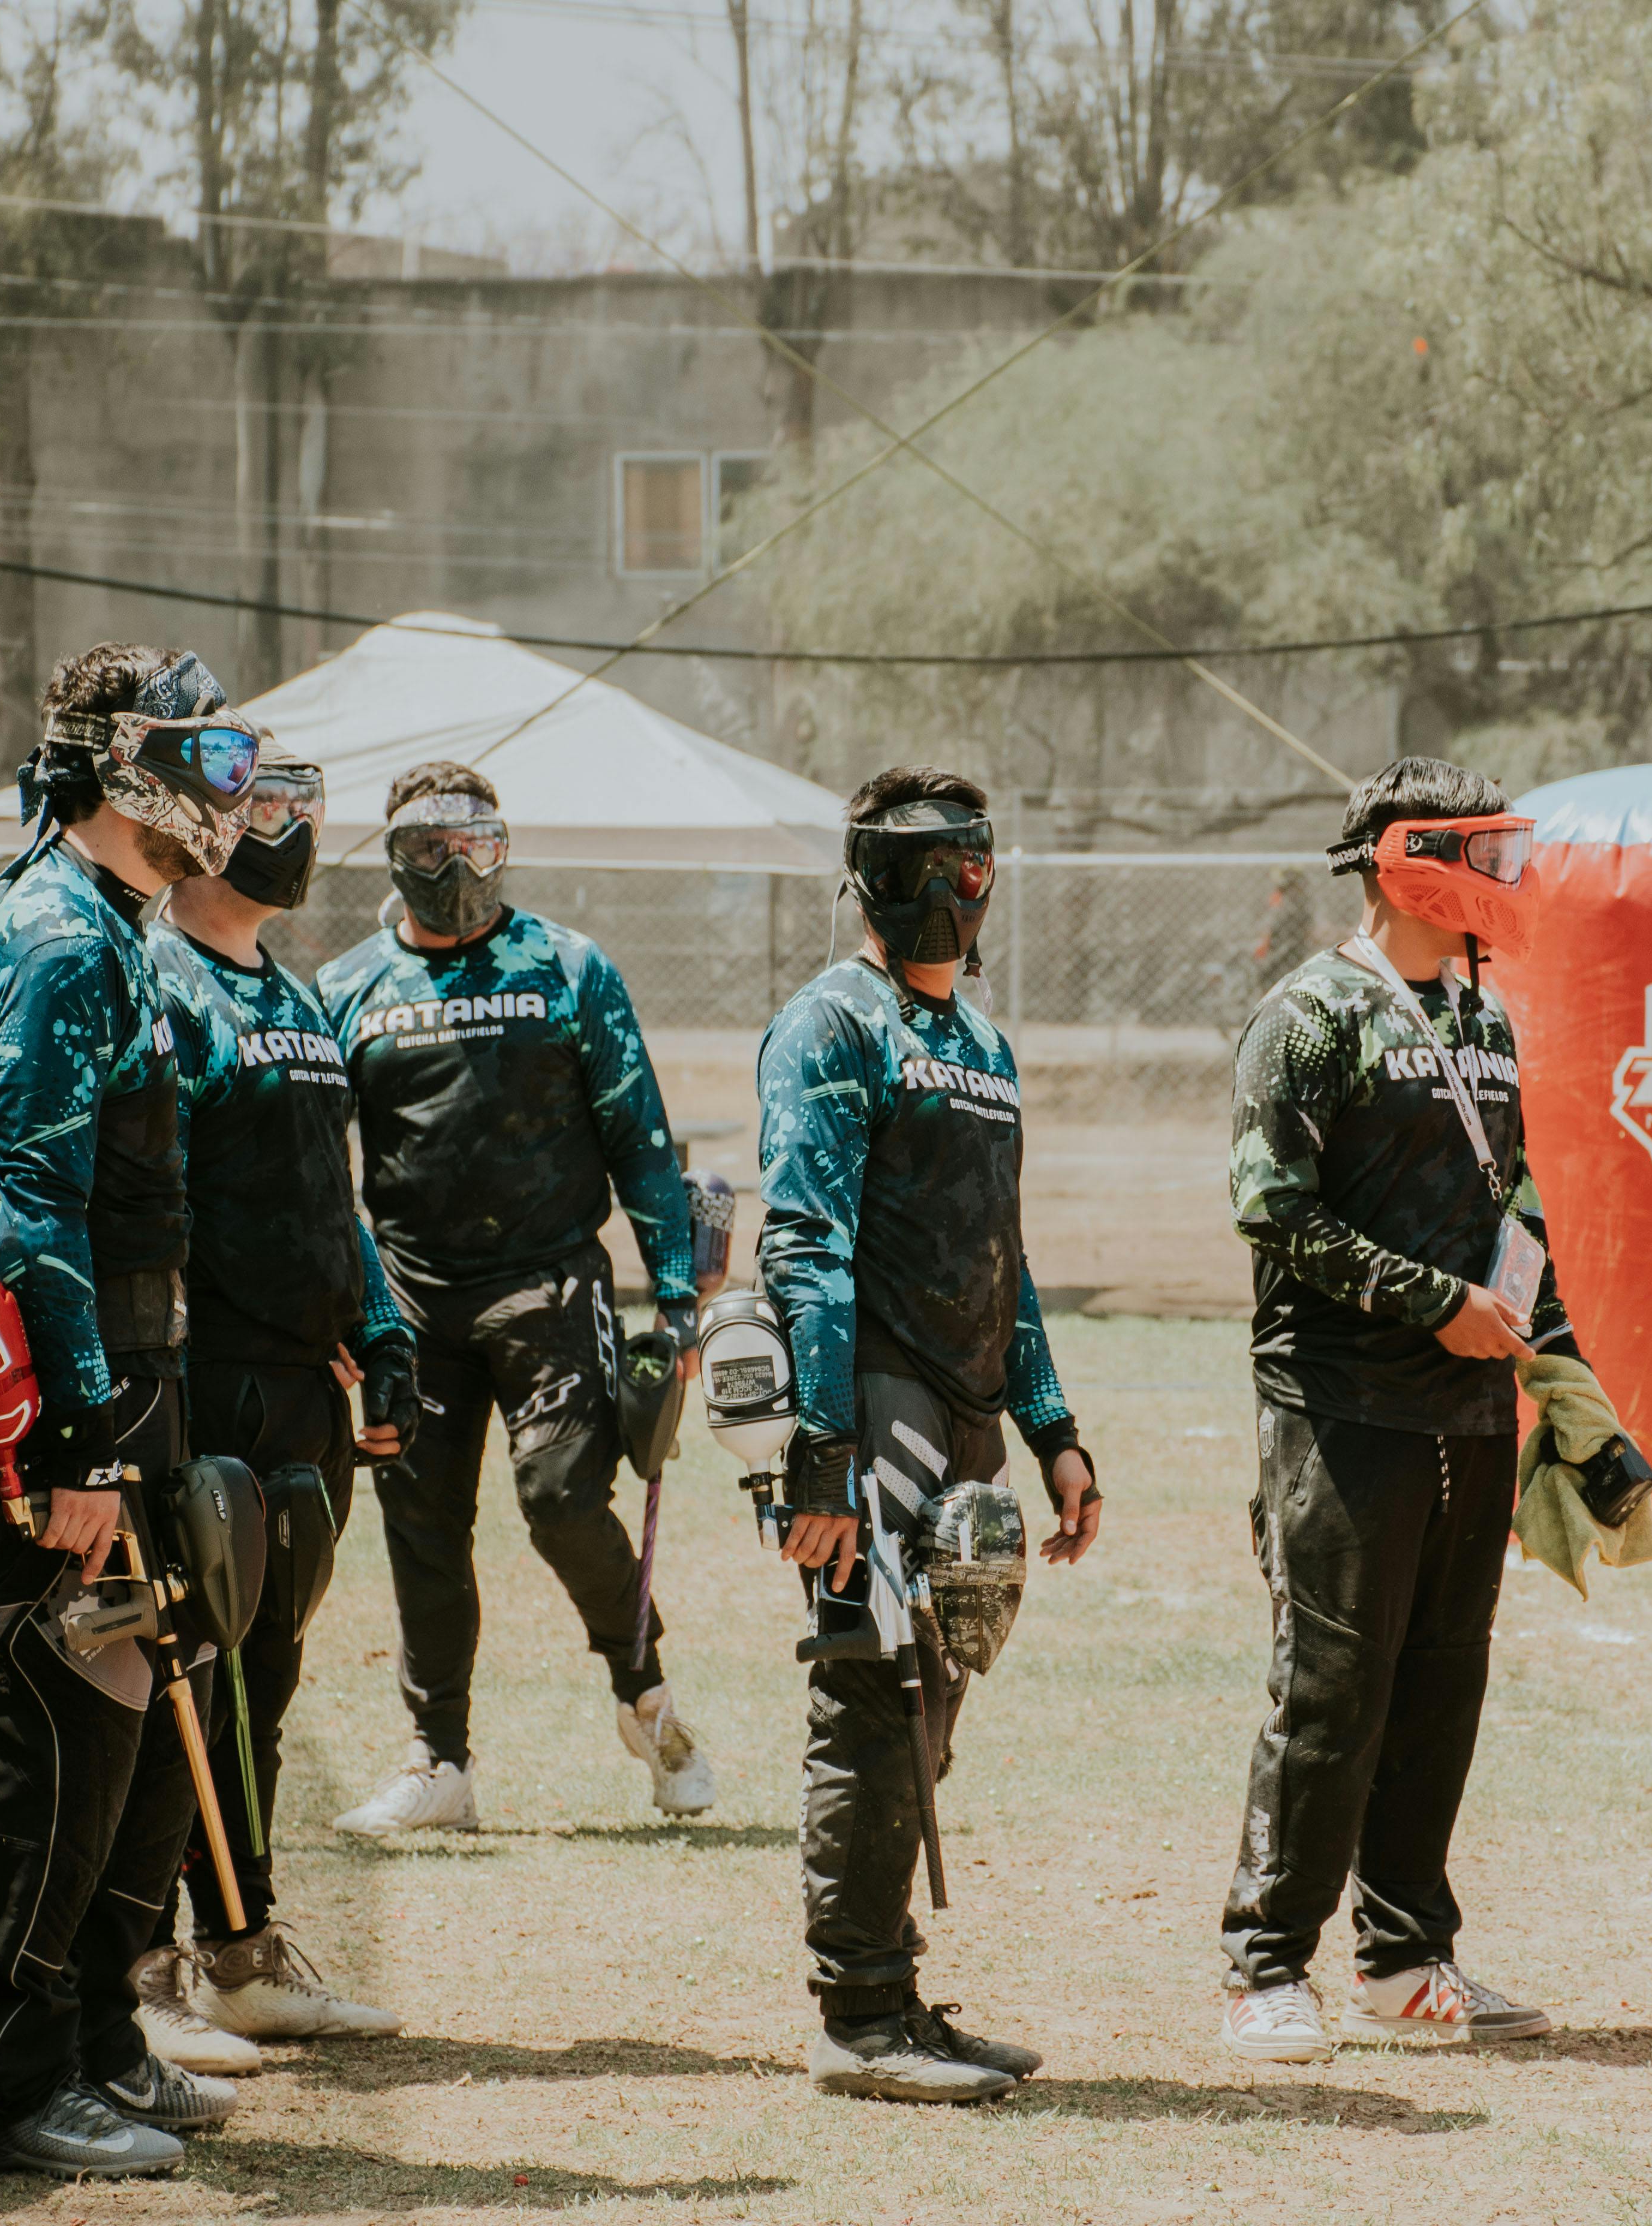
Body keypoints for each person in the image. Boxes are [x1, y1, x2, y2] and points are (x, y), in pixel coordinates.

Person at [0, 643, 261, 2176]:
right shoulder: (57, 935)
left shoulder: (99, 923)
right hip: (86, 1405)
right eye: (204, 760)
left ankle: (102, 2034)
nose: (226, 795)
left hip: (127, 1372)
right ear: (122, 766)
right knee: (65, 1719)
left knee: (151, 1709)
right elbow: (35, 1206)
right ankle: (18, 2077)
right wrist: (62, 1433)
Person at [1214, 756, 1573, 2064]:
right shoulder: (1309, 1016)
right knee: (1332, 1686)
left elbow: (1518, 1210)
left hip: (1471, 1412)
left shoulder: (1483, 1021)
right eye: (1482, 852)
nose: (1505, 879)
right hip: (1339, 1405)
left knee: (1441, 1683)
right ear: (1411, 859)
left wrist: (1568, 1390)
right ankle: (1265, 1965)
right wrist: (1431, 1303)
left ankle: (1407, 1958)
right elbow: (1273, 1210)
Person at [756, 763, 1105, 2104]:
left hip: (968, 1418)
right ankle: (855, 2014)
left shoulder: (982, 1048)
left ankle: (894, 1989)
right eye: (926, 866)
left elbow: (1003, 1259)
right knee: (873, 1686)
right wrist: (824, 1443)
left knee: (934, 1694)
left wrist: (1056, 1428)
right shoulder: (831, 1024)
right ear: (871, 878)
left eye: (970, 867)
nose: (951, 892)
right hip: (874, 1405)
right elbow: (804, 1240)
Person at [314, 760, 716, 1830]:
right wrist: (341, 1309)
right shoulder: (346, 987)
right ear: (399, 852)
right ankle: (439, 1762)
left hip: (548, 1285)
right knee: (423, 1524)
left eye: (479, 841)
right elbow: (314, 1170)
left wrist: (677, 1300)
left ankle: (649, 1700)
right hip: (410, 1302)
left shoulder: (570, 967)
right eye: (434, 845)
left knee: (562, 1502)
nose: (460, 865)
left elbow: (640, 1138)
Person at [127, 752, 413, 2075]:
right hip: (207, 1382)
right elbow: (142, 1197)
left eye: (305, 812)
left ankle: (243, 1950)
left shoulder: (293, 989)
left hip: (305, 1391)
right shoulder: (158, 978)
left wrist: (384, 1333)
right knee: (177, 1673)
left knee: (266, 1675)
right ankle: (144, 1972)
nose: (288, 835)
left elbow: (328, 1196)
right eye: (262, 812)